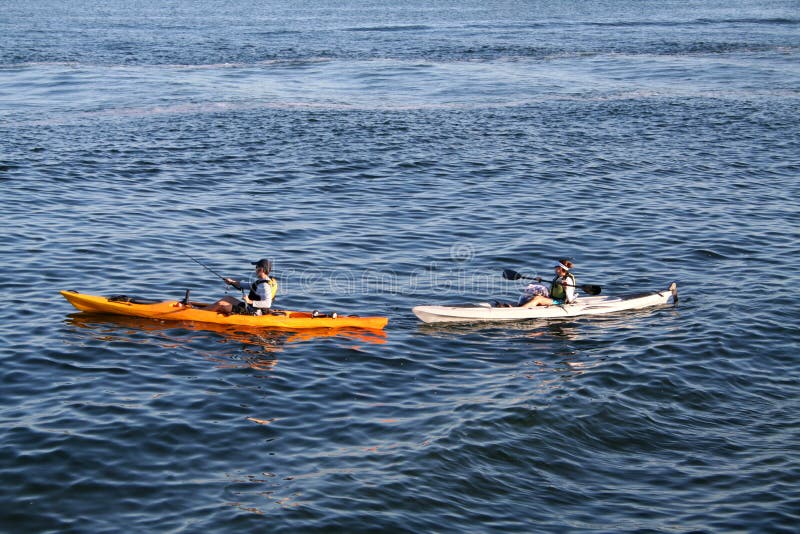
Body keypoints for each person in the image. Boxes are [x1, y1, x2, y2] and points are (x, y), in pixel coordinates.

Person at [205, 259, 278, 315]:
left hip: (254, 312)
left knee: (221, 304)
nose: (255, 269)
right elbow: (248, 285)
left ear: (261, 269)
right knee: (228, 298)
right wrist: (232, 282)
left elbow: (267, 304)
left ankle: (200, 313)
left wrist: (249, 301)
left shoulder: (265, 285)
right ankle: (205, 310)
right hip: (251, 307)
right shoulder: (263, 280)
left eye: (256, 267)